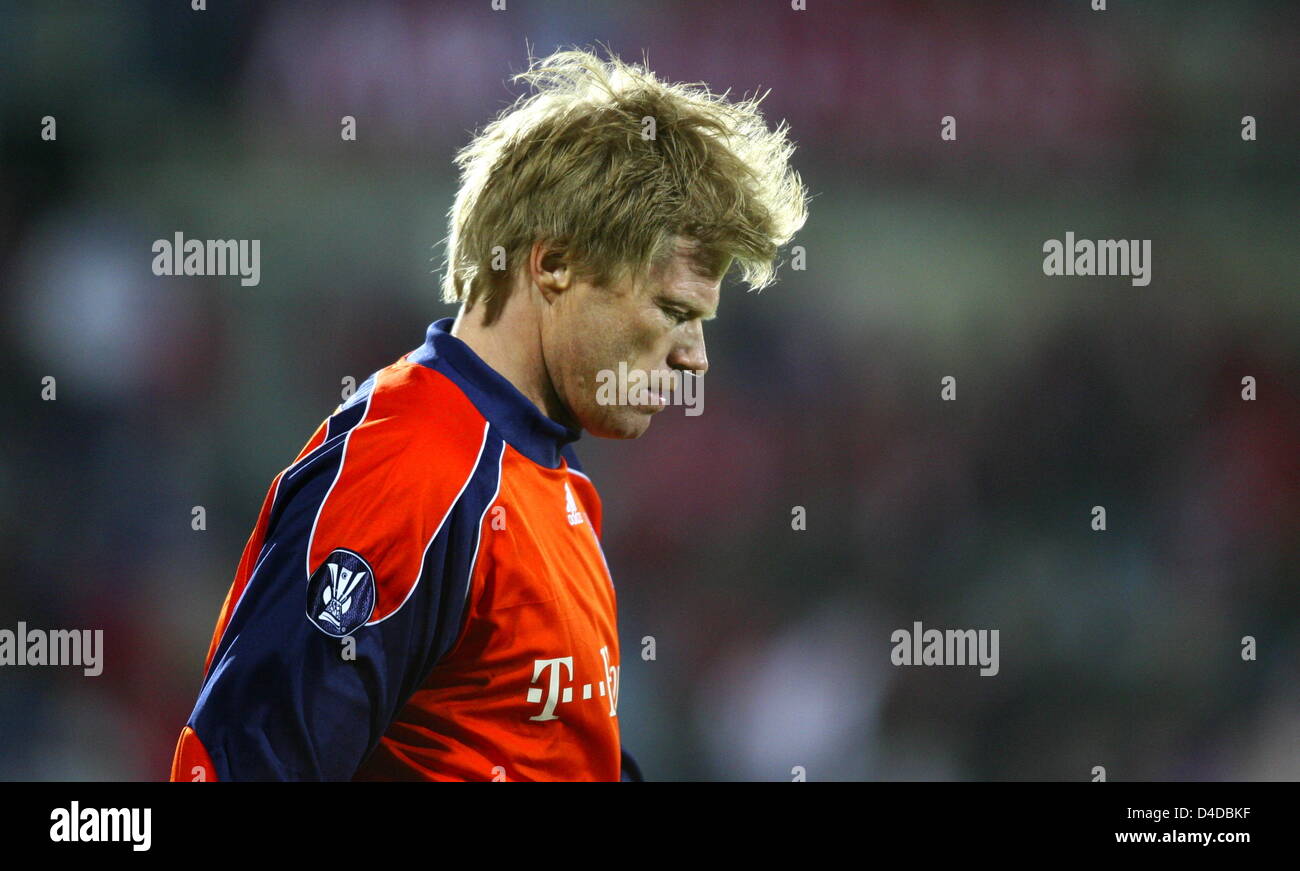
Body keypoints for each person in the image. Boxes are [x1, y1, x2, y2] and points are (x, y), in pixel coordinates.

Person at [169, 46, 808, 781]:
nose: (694, 359)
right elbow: (247, 764)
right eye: (672, 310)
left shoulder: (548, 483)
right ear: (555, 263)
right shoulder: (417, 468)